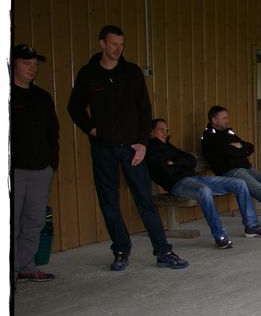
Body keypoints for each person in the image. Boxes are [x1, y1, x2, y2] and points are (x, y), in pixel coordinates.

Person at [67, 25, 189, 271]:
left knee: (145, 199)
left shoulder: (131, 72)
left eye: (121, 44)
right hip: (103, 148)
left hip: (133, 148)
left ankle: (164, 252)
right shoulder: (88, 74)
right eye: (113, 44)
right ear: (102, 44)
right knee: (108, 201)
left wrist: (143, 144)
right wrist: (92, 130)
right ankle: (121, 250)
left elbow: (145, 110)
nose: (118, 49)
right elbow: (75, 107)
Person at [147, 119, 261, 249]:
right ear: (151, 132)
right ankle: (220, 236)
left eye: (166, 130)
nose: (165, 133)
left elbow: (191, 161)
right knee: (205, 191)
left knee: (239, 183)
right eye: (161, 129)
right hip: (178, 184)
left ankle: (252, 226)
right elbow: (166, 171)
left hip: (196, 178)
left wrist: (175, 162)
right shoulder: (150, 150)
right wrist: (178, 162)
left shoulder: (169, 147)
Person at [11, 44, 59, 282]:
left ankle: (27, 266)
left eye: (35, 65)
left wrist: (52, 163)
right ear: (13, 64)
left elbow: (53, 132)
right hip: (15, 171)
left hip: (41, 170)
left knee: (34, 221)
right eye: (26, 63)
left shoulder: (42, 97)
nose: (31, 69)